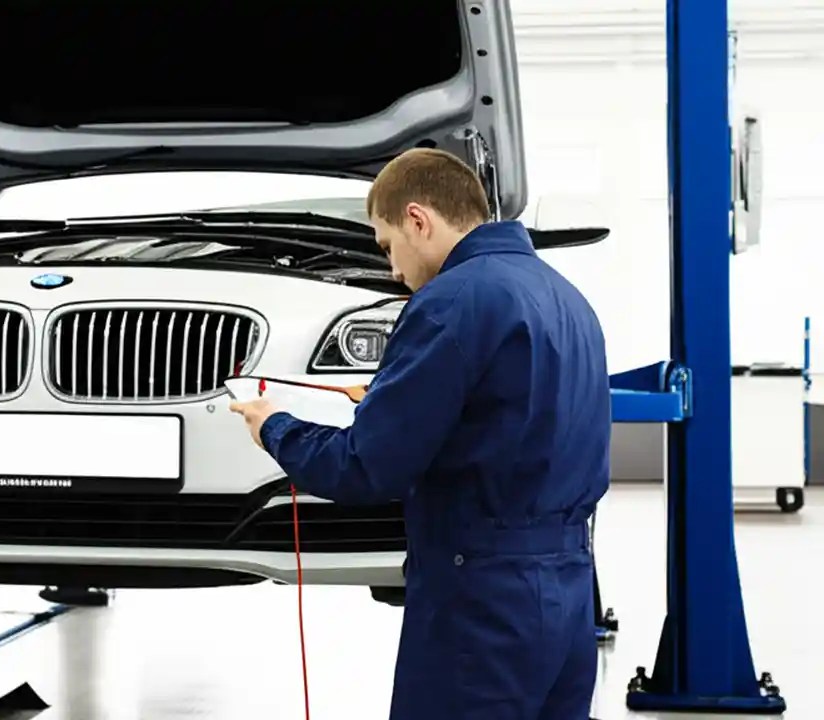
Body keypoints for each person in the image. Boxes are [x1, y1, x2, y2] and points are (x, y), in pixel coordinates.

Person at [229, 148, 611, 720]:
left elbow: (365, 467)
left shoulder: (449, 302)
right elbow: (508, 416)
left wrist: (275, 428)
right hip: (568, 594)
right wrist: (393, 398)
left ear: (417, 220)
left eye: (387, 246)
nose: (392, 271)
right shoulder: (567, 298)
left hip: (481, 600)